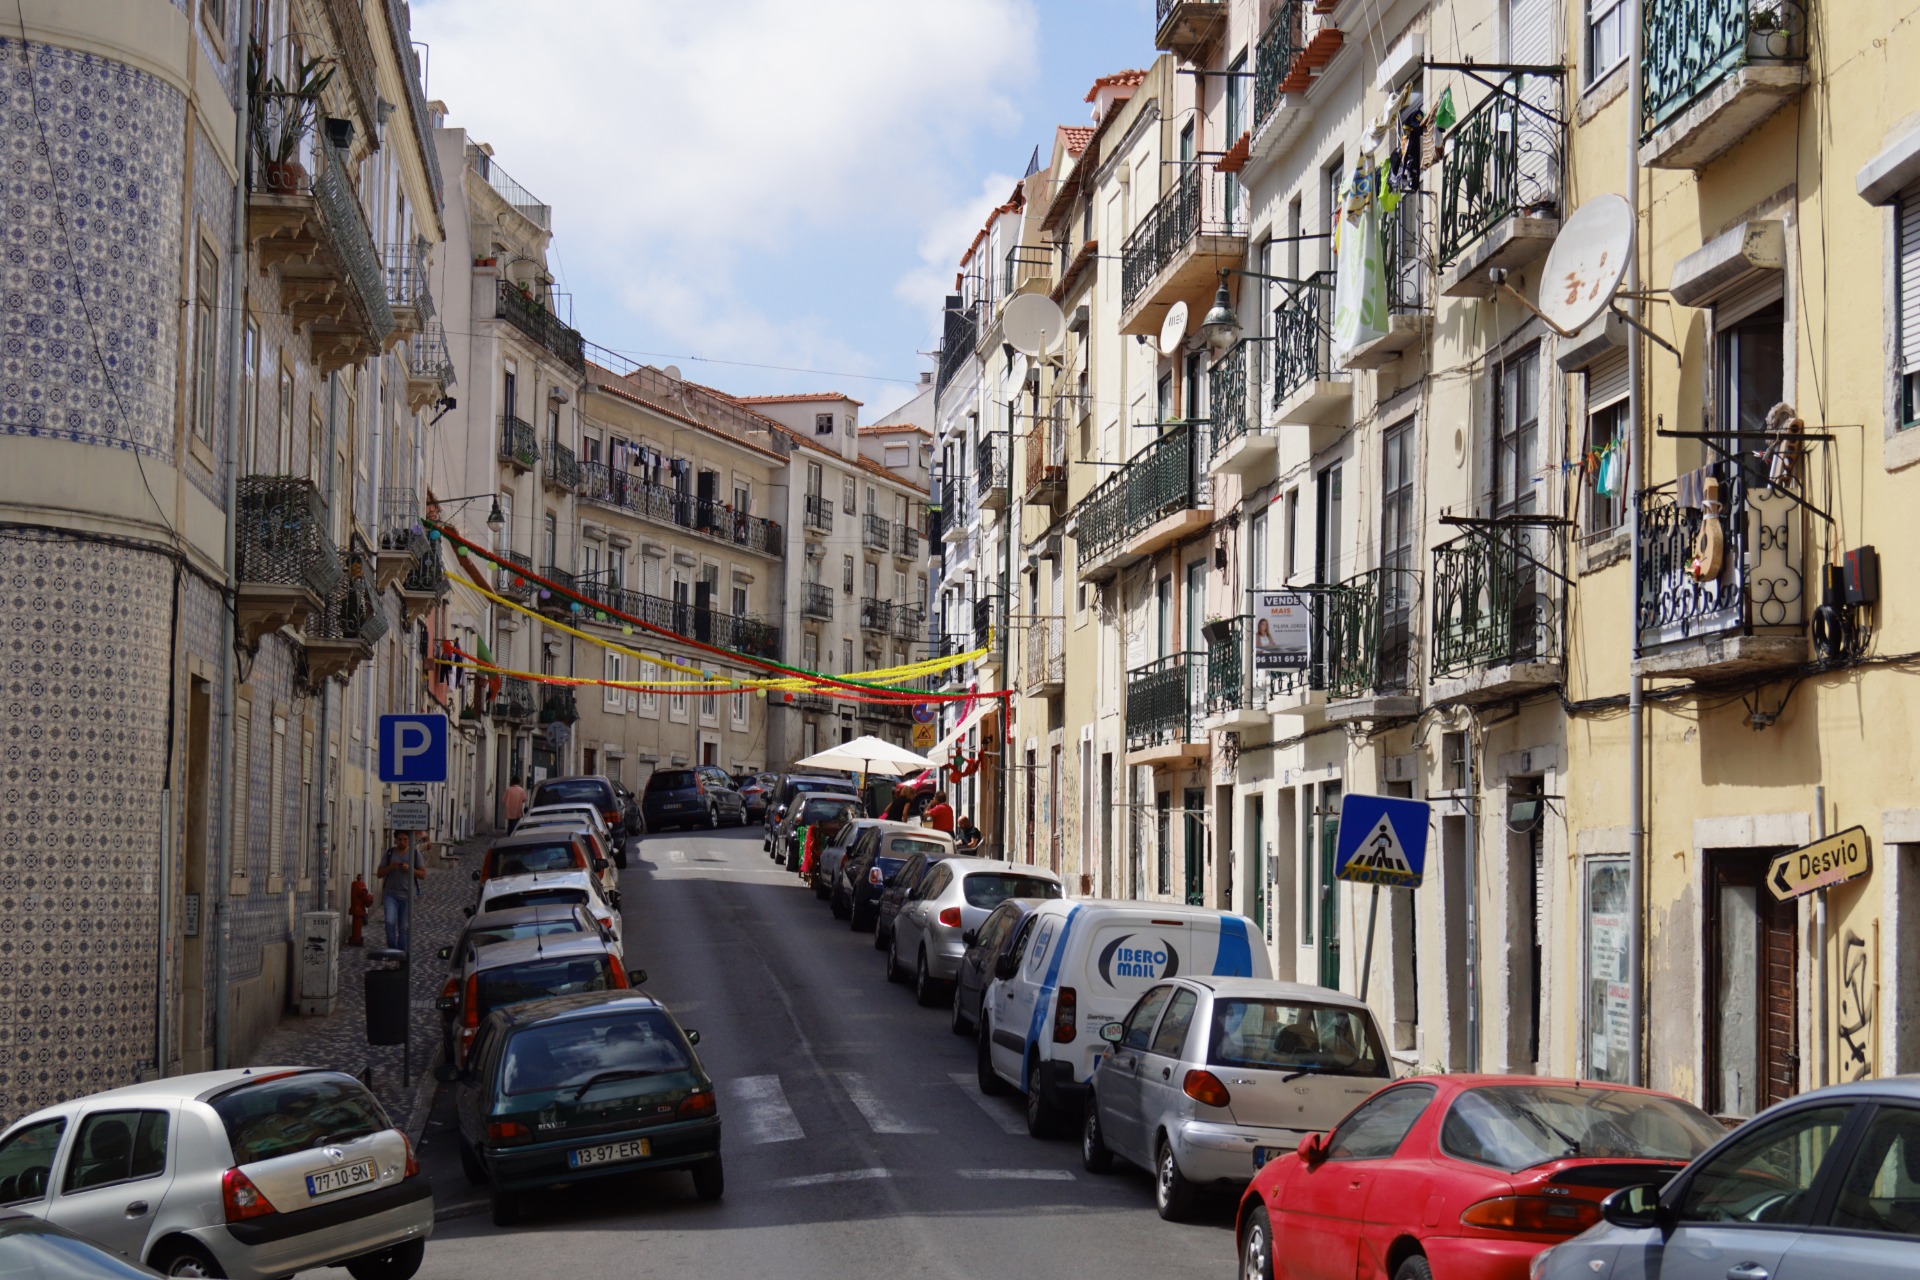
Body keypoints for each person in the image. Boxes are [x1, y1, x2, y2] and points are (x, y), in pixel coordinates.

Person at [376, 831, 426, 953]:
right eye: (400, 839)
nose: (402, 842)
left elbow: (423, 875)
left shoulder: (415, 854)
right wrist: (390, 868)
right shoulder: (389, 853)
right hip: (390, 894)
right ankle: (393, 951)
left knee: (404, 927)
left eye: (405, 839)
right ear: (396, 839)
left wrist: (410, 869)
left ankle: (402, 953)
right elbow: (379, 874)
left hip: (407, 895)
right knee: (389, 922)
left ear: (409, 840)